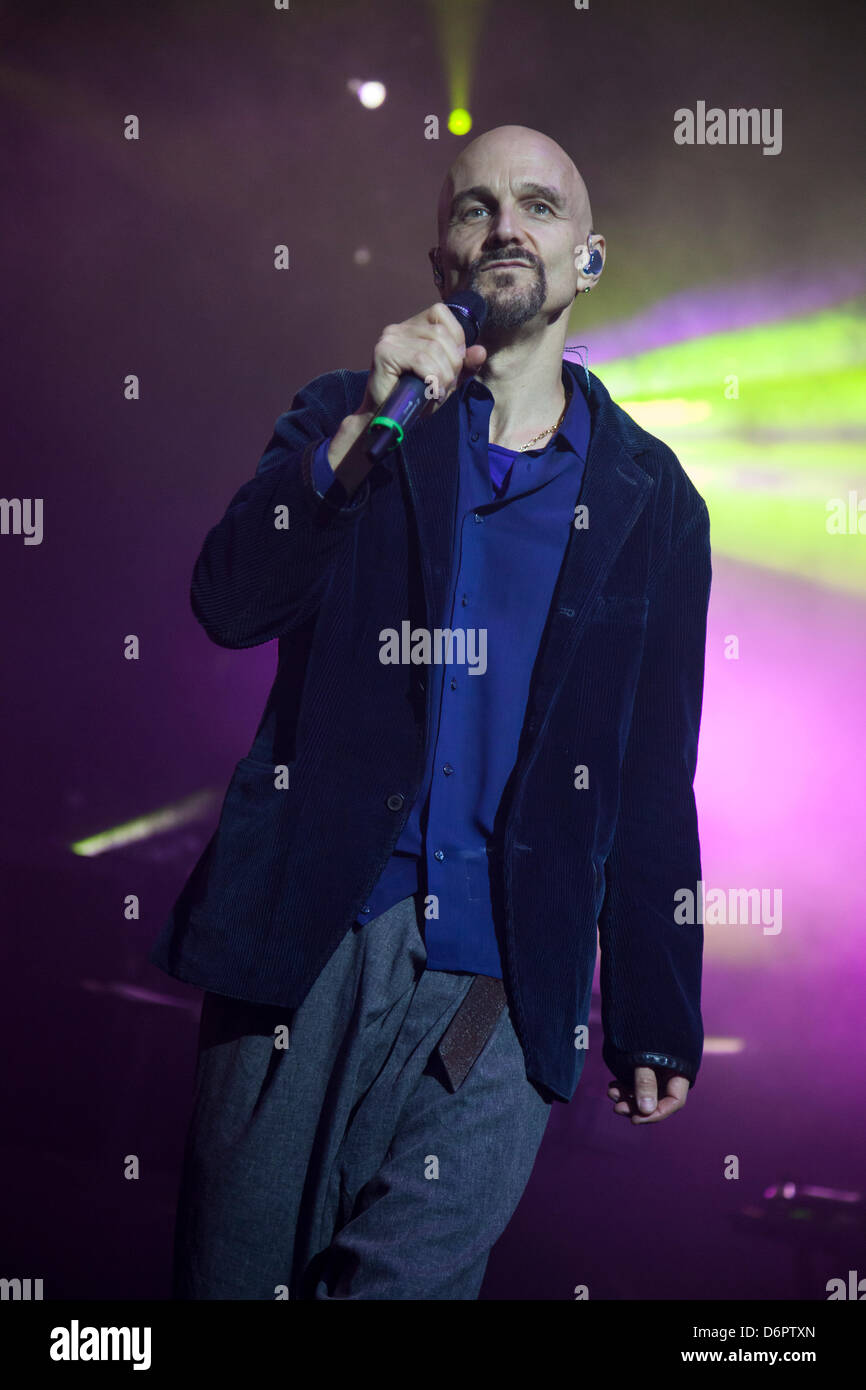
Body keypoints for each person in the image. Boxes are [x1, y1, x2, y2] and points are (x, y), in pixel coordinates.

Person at [149, 124, 712, 1301]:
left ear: (586, 258)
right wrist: (359, 433)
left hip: (501, 987)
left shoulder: (649, 498)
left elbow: (651, 771)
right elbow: (229, 599)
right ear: (438, 254)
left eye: (538, 207)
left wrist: (654, 1003)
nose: (505, 225)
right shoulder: (344, 419)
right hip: (303, 942)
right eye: (475, 207)